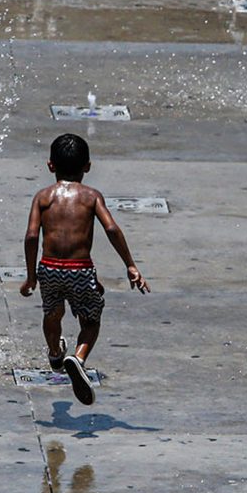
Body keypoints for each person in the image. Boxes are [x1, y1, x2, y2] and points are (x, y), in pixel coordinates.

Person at [18, 133, 149, 405]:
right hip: (80, 269)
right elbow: (111, 228)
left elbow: (31, 237)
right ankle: (77, 358)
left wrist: (31, 276)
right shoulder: (91, 197)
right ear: (87, 166)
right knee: (90, 320)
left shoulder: (43, 197)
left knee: (52, 313)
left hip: (49, 268)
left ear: (50, 165)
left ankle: (55, 353)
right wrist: (130, 265)